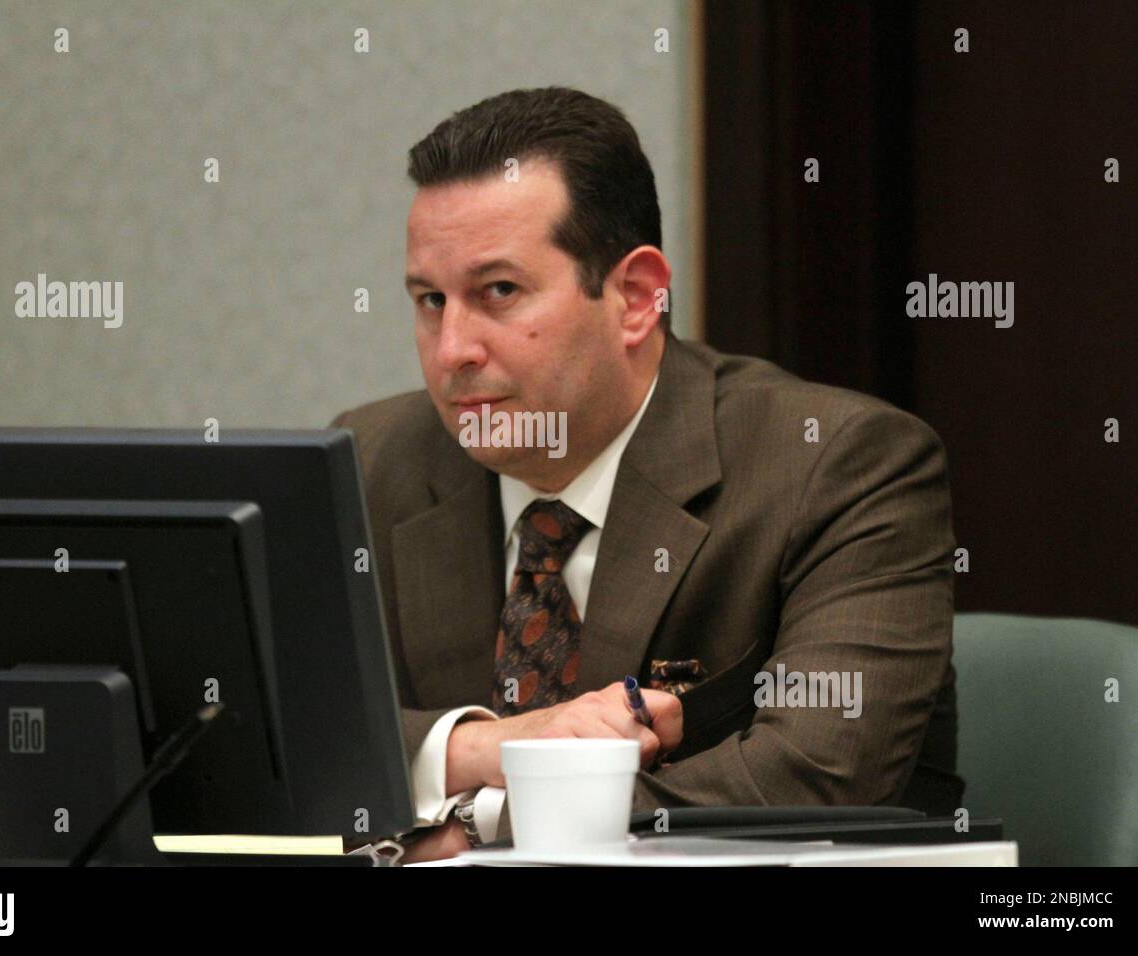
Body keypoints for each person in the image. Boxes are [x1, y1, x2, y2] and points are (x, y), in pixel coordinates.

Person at [333, 87, 961, 862]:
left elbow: (813, 775)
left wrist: (479, 828)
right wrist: (478, 747)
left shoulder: (836, 463)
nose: (452, 348)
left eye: (498, 292)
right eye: (431, 300)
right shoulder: (371, 459)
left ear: (634, 297)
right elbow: (260, 741)